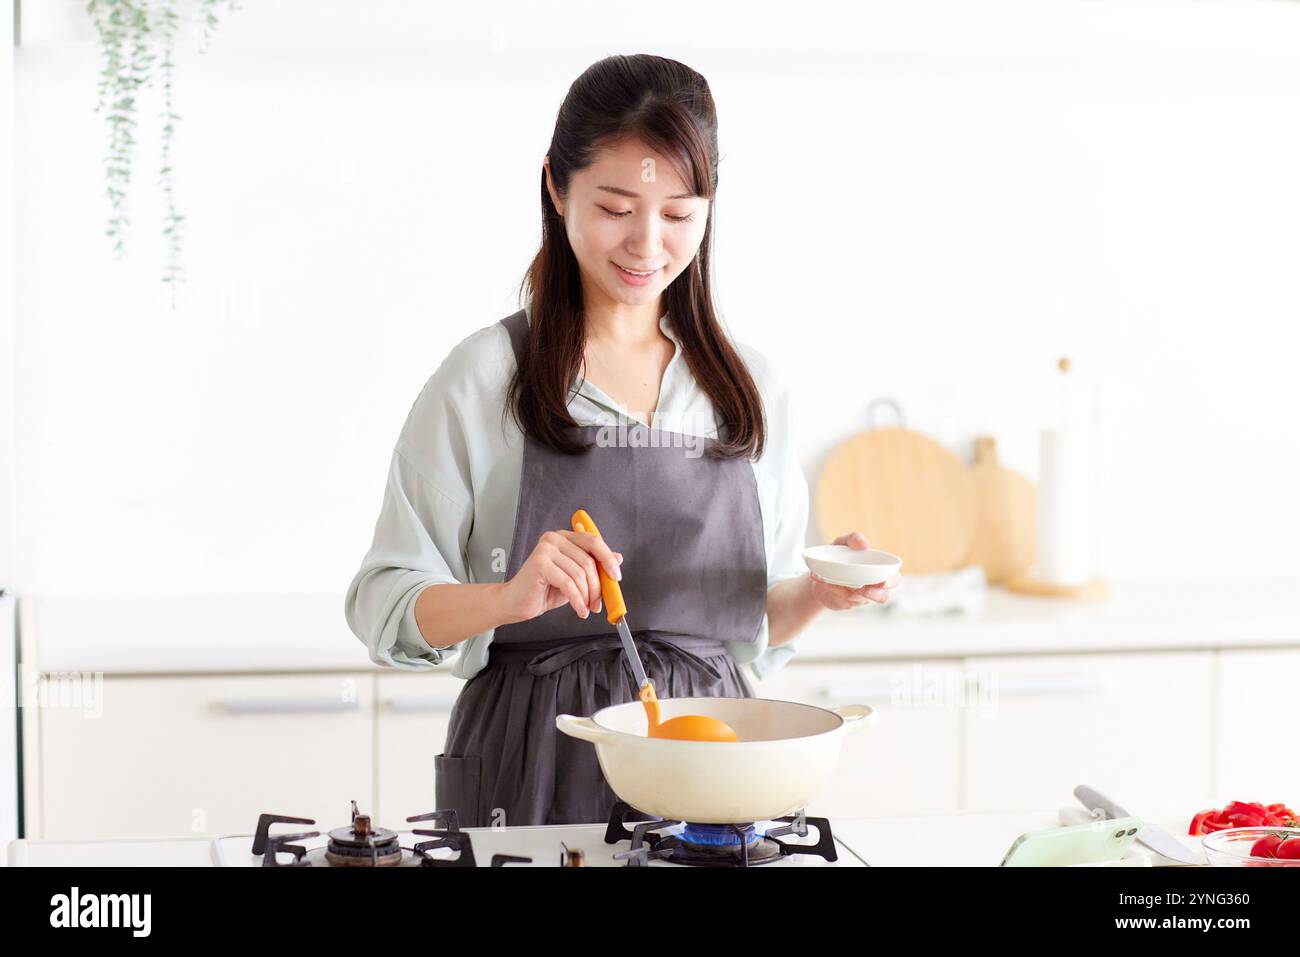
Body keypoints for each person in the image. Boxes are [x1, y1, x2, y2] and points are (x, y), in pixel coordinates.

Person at [344, 53, 899, 827]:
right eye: (614, 207)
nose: (646, 244)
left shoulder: (747, 388)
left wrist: (820, 592)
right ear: (554, 186)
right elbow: (383, 603)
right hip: (532, 757)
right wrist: (507, 598)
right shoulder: (485, 377)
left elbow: (748, 622)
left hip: (711, 766)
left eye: (678, 215)